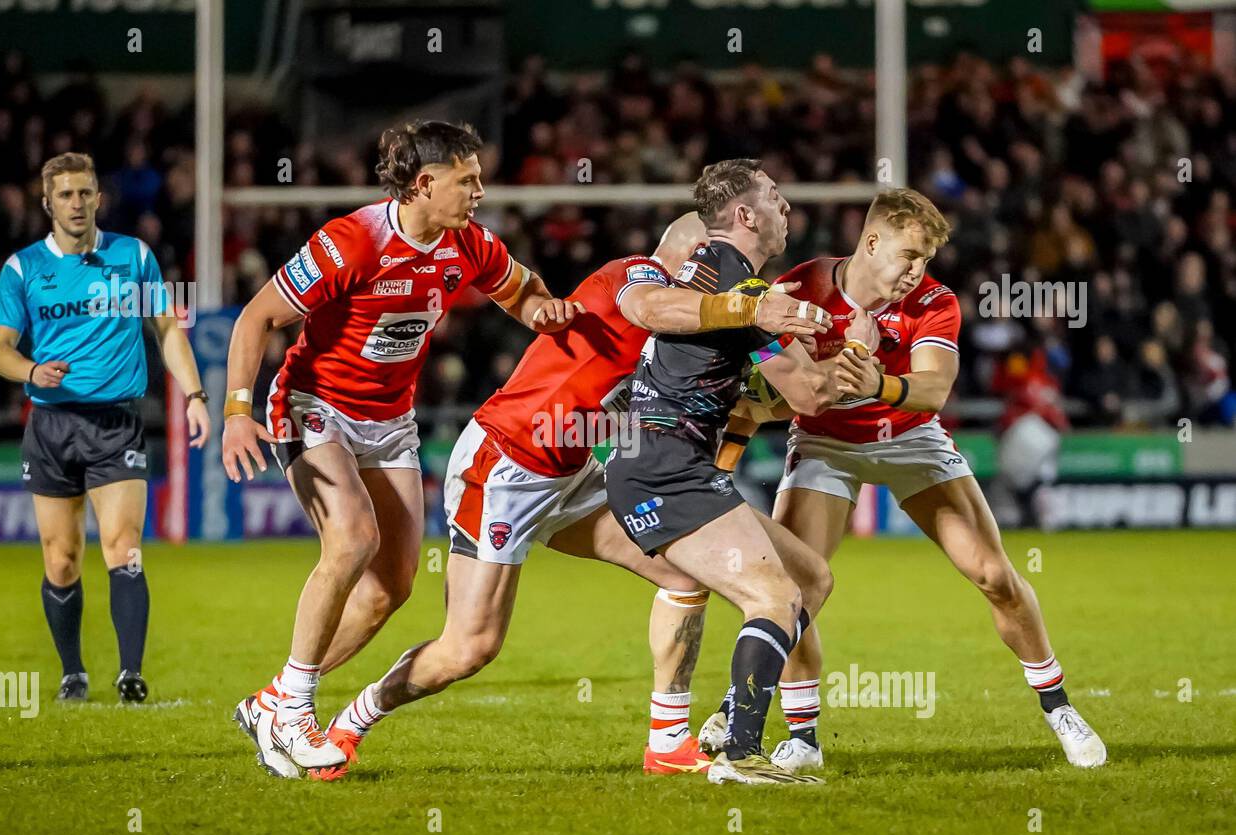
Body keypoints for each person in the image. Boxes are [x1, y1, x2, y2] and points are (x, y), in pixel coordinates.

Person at [315, 211, 831, 780]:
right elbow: (651, 307)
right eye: (709, 266)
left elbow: (744, 400)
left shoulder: (696, 327)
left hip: (578, 470)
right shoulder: (635, 276)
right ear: (689, 259)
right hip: (506, 464)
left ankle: (668, 739)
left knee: (684, 574)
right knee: (470, 647)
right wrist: (750, 309)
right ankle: (348, 720)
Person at [699, 188, 1107, 771]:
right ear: (871, 242)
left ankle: (1059, 706)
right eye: (909, 256)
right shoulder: (804, 285)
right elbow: (761, 363)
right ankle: (802, 739)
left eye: (926, 261)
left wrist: (877, 386)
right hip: (826, 442)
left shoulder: (935, 301)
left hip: (912, 439)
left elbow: (934, 388)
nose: (917, 272)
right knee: (790, 588)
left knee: (994, 575)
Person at [223, 121, 580, 778]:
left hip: (389, 422)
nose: (480, 190)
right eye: (467, 179)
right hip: (312, 406)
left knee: (392, 586)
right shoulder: (352, 241)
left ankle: (274, 699)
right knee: (352, 539)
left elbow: (521, 290)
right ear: (425, 182)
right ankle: (297, 712)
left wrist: (545, 313)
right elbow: (256, 317)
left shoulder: (466, 244)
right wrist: (237, 411)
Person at [605, 159, 880, 785]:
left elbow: (771, 384)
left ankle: (730, 718)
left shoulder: (720, 278)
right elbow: (808, 397)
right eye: (776, 198)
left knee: (809, 575)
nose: (788, 209)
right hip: (663, 466)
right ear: (746, 215)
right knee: (776, 595)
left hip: (656, 457)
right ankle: (741, 754)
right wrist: (859, 349)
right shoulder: (750, 292)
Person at [0, 151, 209, 703]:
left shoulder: (133, 256)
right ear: (47, 204)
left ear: (98, 198)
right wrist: (33, 370)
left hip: (116, 424)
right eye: (65, 195)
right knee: (61, 559)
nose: (77, 204)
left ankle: (131, 675)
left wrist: (197, 395)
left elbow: (167, 328)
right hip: (52, 424)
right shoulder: (23, 268)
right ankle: (72, 672)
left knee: (123, 546)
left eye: (85, 193)